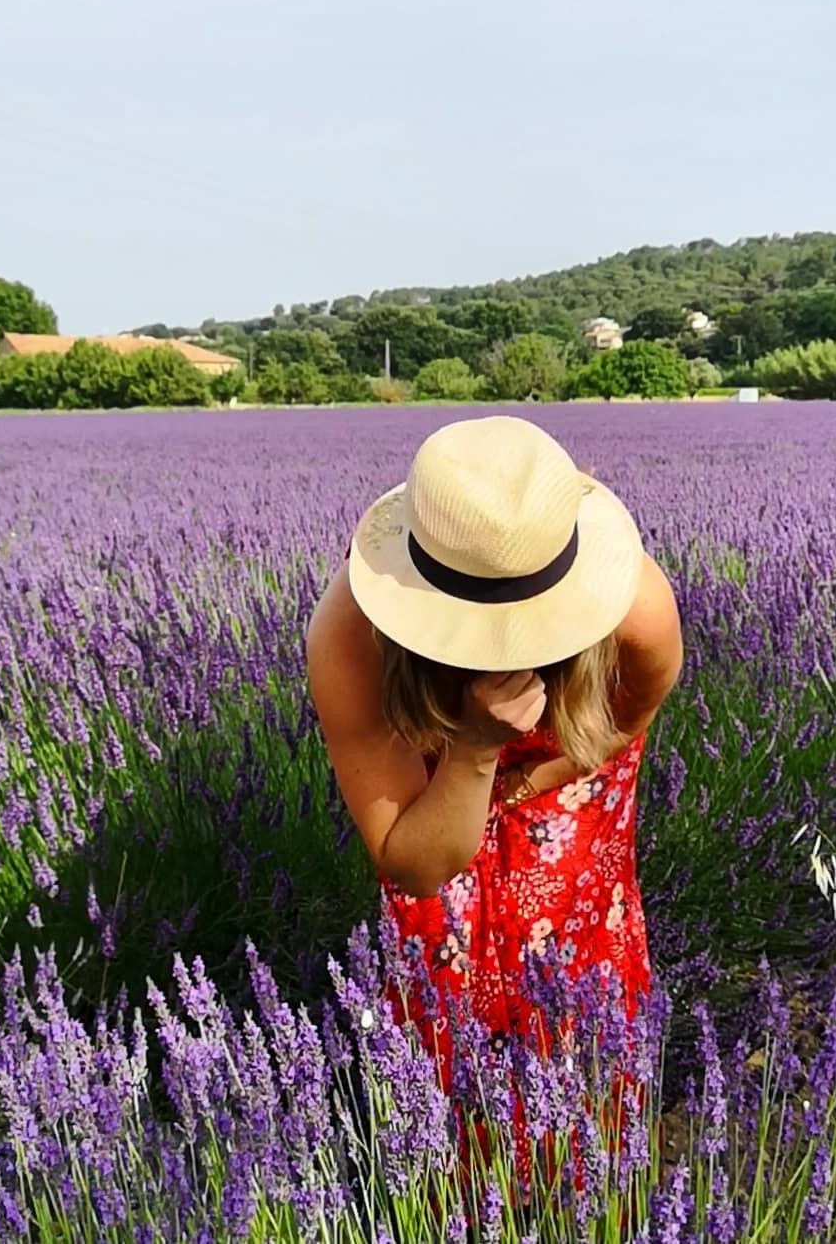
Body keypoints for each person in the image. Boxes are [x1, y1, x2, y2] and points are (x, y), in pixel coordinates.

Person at [306, 415, 682, 1140]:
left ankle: (591, 1182)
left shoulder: (634, 609)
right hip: (436, 806)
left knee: (582, 1001)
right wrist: (474, 752)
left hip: (569, 790)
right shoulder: (354, 635)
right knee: (444, 1024)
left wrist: (531, 781)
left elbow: (625, 721)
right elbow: (412, 867)